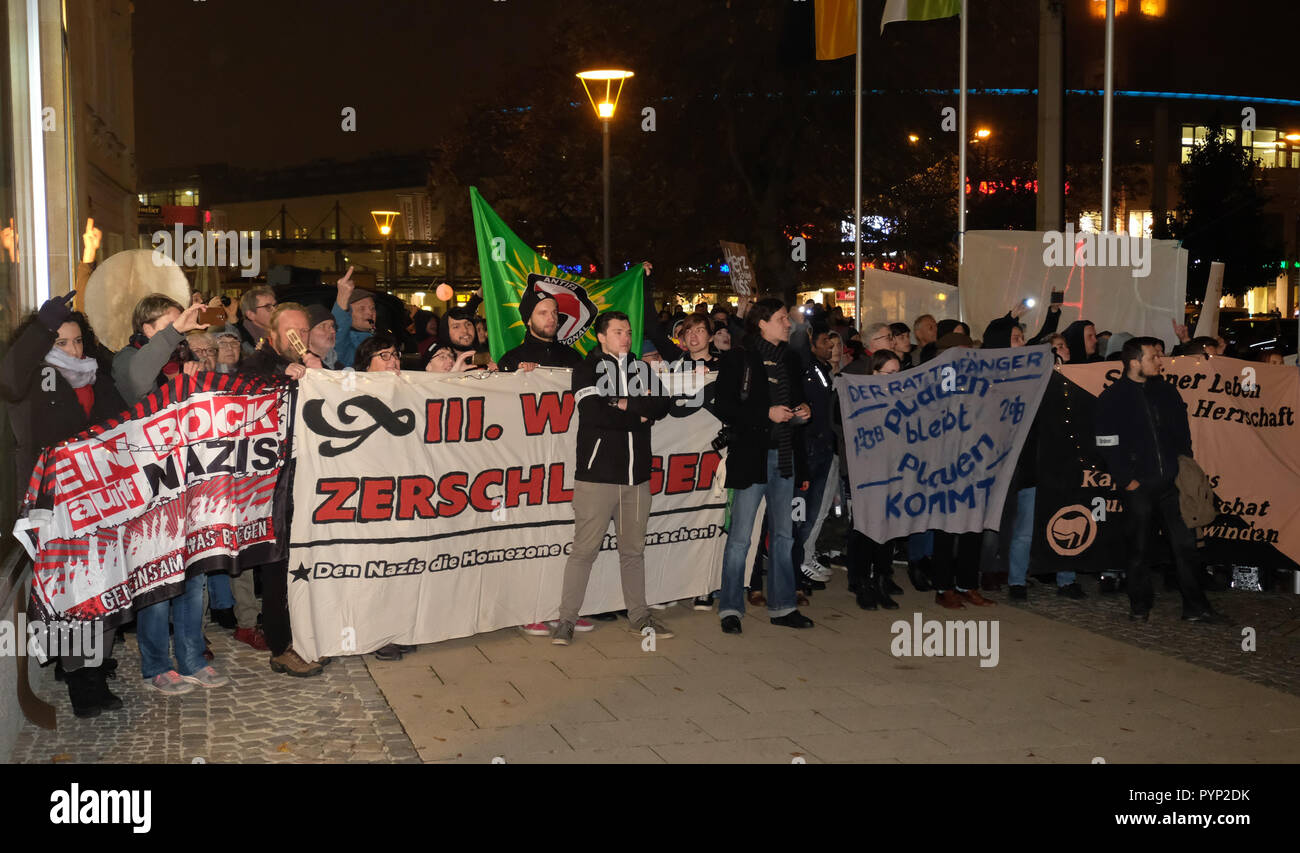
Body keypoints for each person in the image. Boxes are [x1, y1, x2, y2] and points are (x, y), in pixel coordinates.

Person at [0, 293, 128, 716]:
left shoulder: (96, 374)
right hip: (55, 503)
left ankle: (89, 665)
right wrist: (41, 328)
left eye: (77, 341)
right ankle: (82, 681)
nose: (73, 350)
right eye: (62, 342)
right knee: (74, 591)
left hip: (102, 499)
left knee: (101, 584)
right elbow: (9, 375)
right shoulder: (36, 379)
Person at [112, 294, 228, 693]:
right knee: (157, 579)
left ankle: (193, 657)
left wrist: (195, 382)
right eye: (172, 324)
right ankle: (156, 666)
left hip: (188, 480)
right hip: (150, 486)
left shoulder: (180, 364)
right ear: (147, 328)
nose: (181, 331)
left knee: (193, 576)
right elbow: (140, 384)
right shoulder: (127, 358)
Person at [550, 312, 672, 645]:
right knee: (583, 552)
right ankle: (566, 621)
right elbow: (593, 412)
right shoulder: (587, 368)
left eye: (629, 332)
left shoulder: (642, 369)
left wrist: (623, 404)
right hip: (597, 477)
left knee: (633, 552)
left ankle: (639, 617)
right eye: (618, 332)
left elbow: (663, 405)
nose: (626, 337)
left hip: (637, 479)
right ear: (601, 337)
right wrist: (639, 414)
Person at [1094, 337, 1226, 623]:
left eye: (1160, 356)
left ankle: (1196, 606)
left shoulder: (1167, 392)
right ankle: (1140, 606)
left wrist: (1183, 465)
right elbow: (1106, 444)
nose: (1160, 361)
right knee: (1139, 550)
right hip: (1138, 487)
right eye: (1154, 357)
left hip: (1172, 485)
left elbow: (1182, 433)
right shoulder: (1113, 398)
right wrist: (1127, 480)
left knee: (1186, 547)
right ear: (1134, 362)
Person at [712, 298, 814, 635]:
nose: (789, 324)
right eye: (783, 318)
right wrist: (764, 415)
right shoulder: (739, 359)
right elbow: (724, 406)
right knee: (741, 536)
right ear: (762, 323)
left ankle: (784, 606)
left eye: (788, 318)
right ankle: (730, 607)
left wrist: (803, 412)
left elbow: (798, 401)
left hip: (784, 456)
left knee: (784, 535)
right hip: (752, 456)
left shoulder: (791, 360)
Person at [241, 303, 332, 674]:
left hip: (308, 478)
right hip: (273, 485)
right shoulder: (257, 365)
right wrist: (284, 375)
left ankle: (303, 636)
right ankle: (281, 644)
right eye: (291, 331)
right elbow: (249, 397)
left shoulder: (314, 365)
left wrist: (321, 375)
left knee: (305, 562)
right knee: (279, 565)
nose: (299, 337)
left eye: (304, 330)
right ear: (273, 336)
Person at [981, 312, 1084, 600]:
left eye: (1064, 347)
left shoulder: (1070, 378)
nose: (1024, 343)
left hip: (1060, 465)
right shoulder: (1018, 381)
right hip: (1030, 465)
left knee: (1067, 520)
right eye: (1016, 339)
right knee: (1024, 527)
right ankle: (1016, 581)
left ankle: (1067, 578)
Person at [926, 332, 998, 610]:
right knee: (945, 530)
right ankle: (943, 587)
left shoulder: (979, 381)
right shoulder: (934, 380)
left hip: (975, 462)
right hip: (944, 465)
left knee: (973, 528)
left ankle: (966, 583)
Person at [833, 349, 903, 609]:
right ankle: (861, 580)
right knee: (863, 527)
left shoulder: (902, 399)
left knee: (887, 526)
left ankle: (882, 578)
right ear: (874, 373)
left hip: (892, 470)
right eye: (889, 373)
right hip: (865, 472)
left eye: (898, 373)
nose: (895, 378)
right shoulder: (856, 399)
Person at [792, 324, 840, 592]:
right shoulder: (806, 369)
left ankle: (807, 554)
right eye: (824, 340)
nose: (830, 346)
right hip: (811, 449)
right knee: (807, 510)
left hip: (823, 447)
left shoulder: (823, 370)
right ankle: (800, 559)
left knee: (820, 508)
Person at [497, 286, 583, 372]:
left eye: (554, 312)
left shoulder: (572, 356)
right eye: (543, 313)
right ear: (529, 320)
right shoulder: (512, 360)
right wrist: (516, 369)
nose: (552, 319)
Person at [332, 266, 376, 369]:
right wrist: (342, 298)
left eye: (373, 308)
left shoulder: (380, 337)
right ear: (348, 313)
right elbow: (338, 332)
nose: (370, 312)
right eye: (362, 308)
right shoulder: (345, 343)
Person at [231, 285, 277, 356]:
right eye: (268, 307)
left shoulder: (281, 330)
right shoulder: (242, 340)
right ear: (251, 315)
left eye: (275, 305)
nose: (275, 310)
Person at [305, 304, 339, 369]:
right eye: (323, 326)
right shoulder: (298, 369)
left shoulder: (340, 369)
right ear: (307, 333)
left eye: (332, 326)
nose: (333, 331)